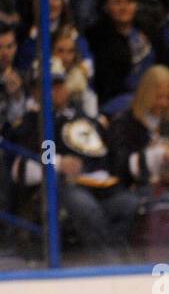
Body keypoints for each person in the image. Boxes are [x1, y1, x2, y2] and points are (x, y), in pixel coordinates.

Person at [10, 59, 140, 254]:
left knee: (129, 204)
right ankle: (107, 261)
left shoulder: (84, 117)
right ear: (35, 91)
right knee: (84, 206)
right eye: (47, 86)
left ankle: (110, 256)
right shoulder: (34, 124)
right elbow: (20, 168)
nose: (55, 90)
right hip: (63, 188)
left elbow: (105, 152)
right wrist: (59, 164)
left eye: (59, 84)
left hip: (102, 187)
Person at [107, 64, 169, 195]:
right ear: (146, 94)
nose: (164, 103)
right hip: (137, 189)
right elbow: (120, 166)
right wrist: (160, 156)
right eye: (159, 97)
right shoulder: (124, 123)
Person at [86, 0, 157, 118]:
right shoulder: (97, 37)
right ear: (106, 7)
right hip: (116, 103)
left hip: (153, 96)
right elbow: (106, 83)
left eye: (129, 1)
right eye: (118, 2)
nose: (124, 7)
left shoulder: (148, 29)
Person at [1, 22, 29, 133]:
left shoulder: (24, 77)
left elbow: (18, 122)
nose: (5, 53)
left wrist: (16, 96)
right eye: (0, 47)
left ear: (16, 47)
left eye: (9, 46)